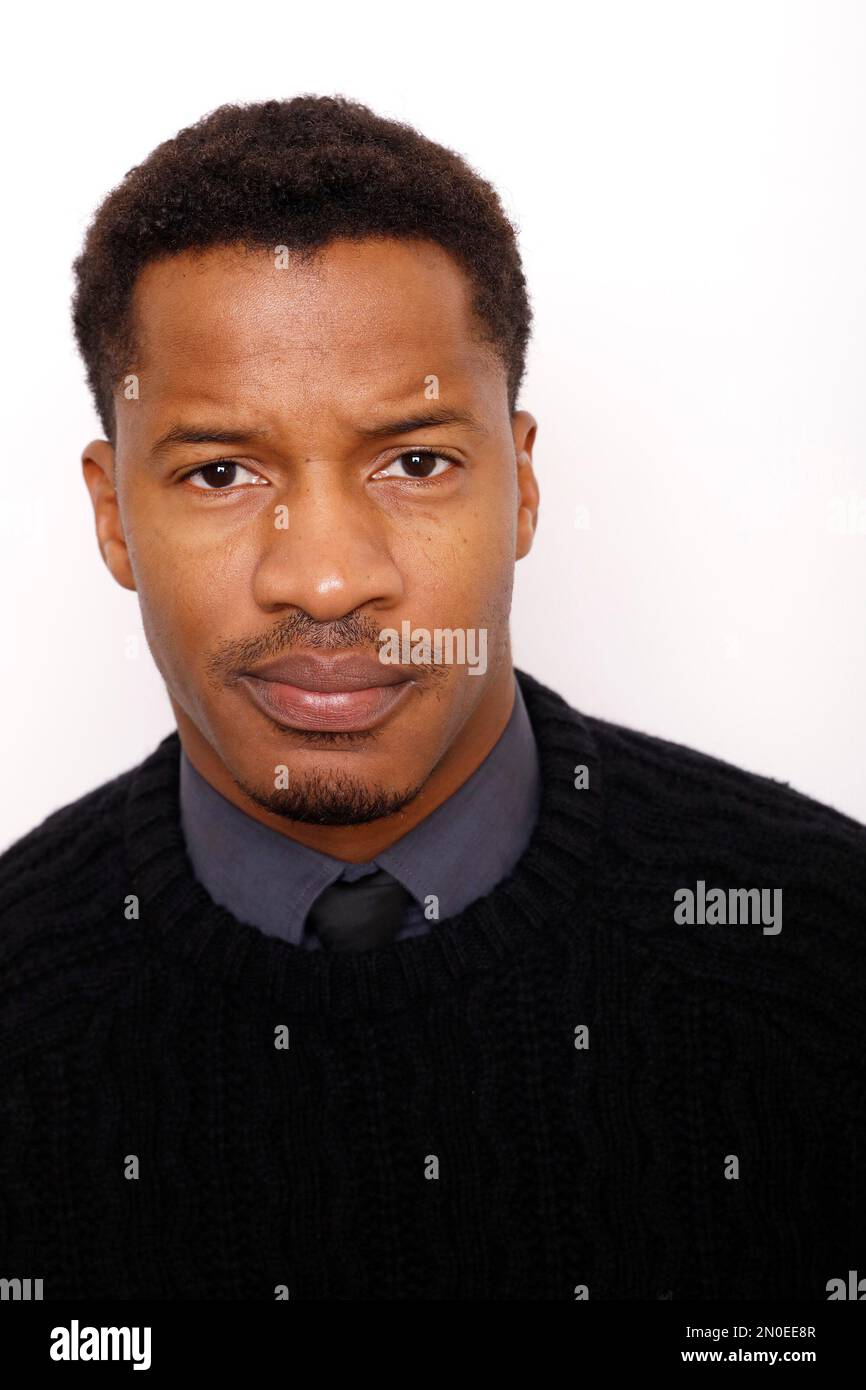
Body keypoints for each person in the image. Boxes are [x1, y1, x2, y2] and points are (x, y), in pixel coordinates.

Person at [0, 96, 862, 1301]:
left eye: (414, 460)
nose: (327, 575)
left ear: (520, 488)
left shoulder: (826, 949)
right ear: (111, 516)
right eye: (222, 471)